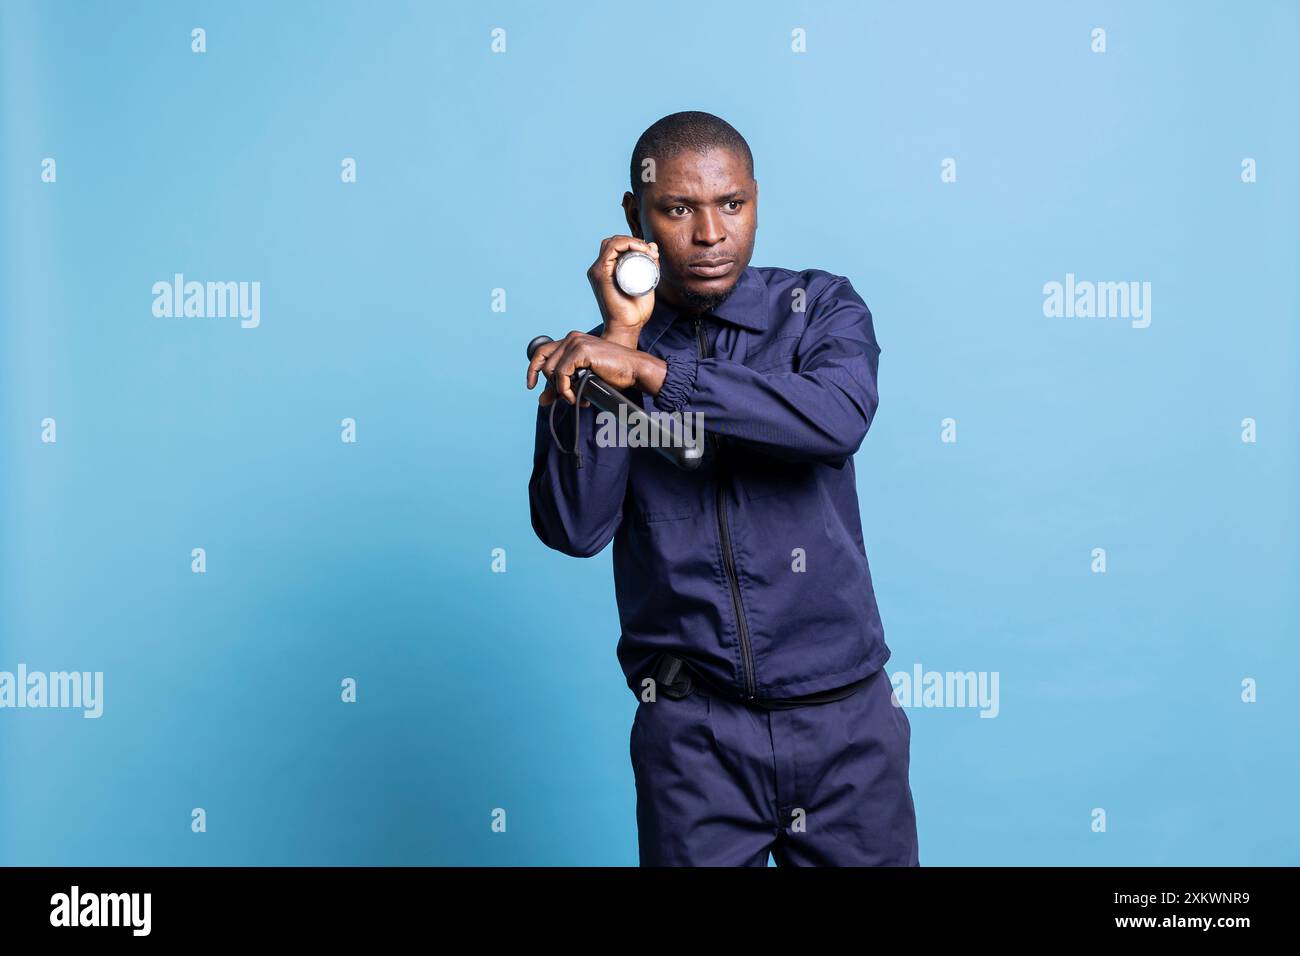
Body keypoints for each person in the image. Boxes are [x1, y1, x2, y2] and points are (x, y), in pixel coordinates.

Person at [526, 111, 919, 867]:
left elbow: (835, 420)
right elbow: (575, 529)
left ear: (756, 199)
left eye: (731, 204)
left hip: (846, 729)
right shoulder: (609, 356)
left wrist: (661, 378)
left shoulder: (819, 308)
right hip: (693, 739)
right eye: (678, 209)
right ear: (634, 218)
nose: (711, 234)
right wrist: (622, 346)